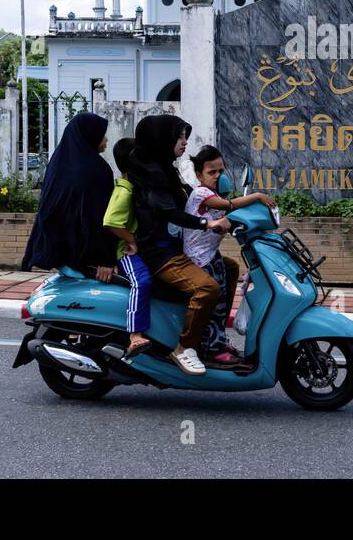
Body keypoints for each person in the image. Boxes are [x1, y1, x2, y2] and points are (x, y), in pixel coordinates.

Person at [128, 115, 232, 376]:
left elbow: (189, 194)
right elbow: (170, 212)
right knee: (207, 288)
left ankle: (213, 338)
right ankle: (184, 347)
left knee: (230, 269)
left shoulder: (165, 169)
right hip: (162, 253)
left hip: (177, 247)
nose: (184, 142)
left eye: (184, 136)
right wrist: (205, 224)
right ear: (161, 140)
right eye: (179, 137)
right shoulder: (150, 176)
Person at [183, 144, 276, 366]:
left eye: (221, 171)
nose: (217, 176)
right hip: (199, 260)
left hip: (211, 256)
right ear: (199, 175)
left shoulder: (213, 193)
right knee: (215, 304)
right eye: (211, 172)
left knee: (222, 302)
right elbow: (228, 205)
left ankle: (218, 341)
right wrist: (257, 197)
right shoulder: (201, 193)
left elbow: (230, 210)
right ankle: (211, 349)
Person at [20, 112, 117, 279]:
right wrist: (105, 259)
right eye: (102, 135)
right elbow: (100, 217)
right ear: (90, 135)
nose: (106, 140)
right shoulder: (96, 169)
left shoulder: (58, 163)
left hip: (60, 254)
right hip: (85, 258)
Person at [102, 137, 152, 360]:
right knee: (141, 280)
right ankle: (135, 335)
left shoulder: (134, 188)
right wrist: (131, 240)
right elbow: (111, 221)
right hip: (125, 253)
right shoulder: (125, 192)